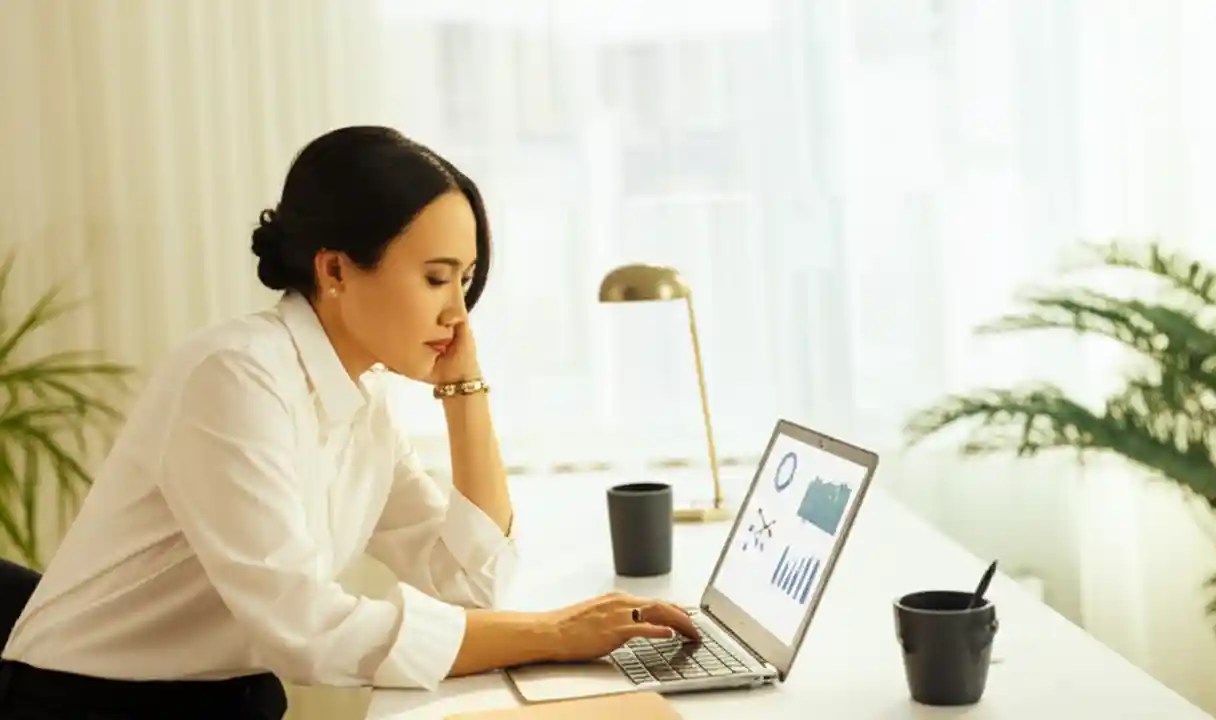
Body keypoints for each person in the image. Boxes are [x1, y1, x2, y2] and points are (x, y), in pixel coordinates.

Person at [0, 126, 697, 719]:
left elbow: (469, 580)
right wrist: (551, 634)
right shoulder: (235, 376)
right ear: (334, 268)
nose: (459, 311)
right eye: (435, 278)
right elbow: (306, 628)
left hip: (221, 698)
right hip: (86, 705)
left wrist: (465, 390)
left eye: (466, 278)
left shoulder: (358, 400)